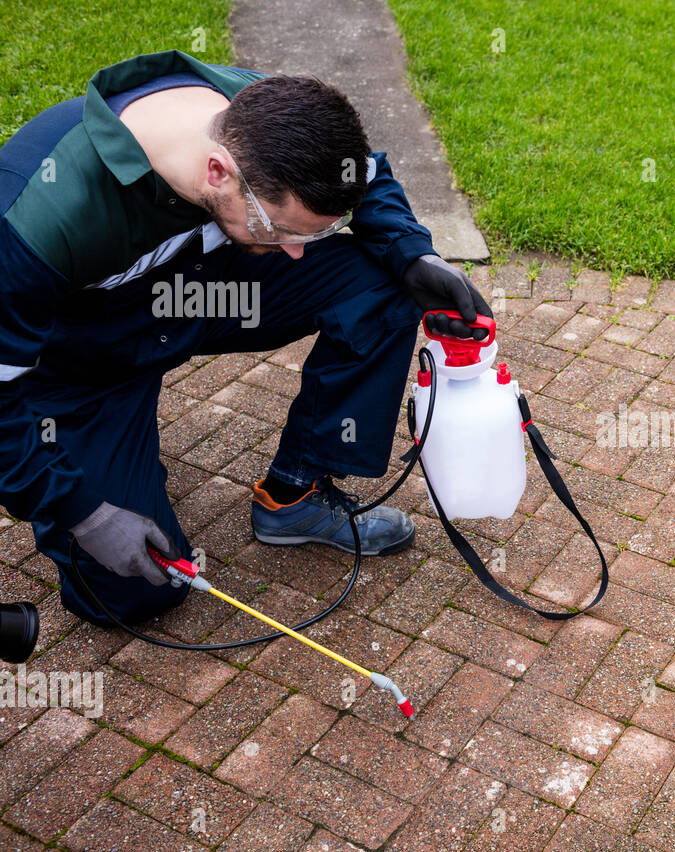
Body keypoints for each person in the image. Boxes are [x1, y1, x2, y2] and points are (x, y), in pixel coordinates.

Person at [0, 50, 491, 626]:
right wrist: (80, 510)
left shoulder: (262, 111)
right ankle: (107, 452)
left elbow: (365, 171)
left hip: (200, 292)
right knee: (140, 592)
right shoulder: (34, 214)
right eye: (282, 229)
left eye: (312, 233)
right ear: (217, 171)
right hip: (87, 362)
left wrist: (414, 256)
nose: (297, 252)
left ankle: (294, 494)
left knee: (376, 284)